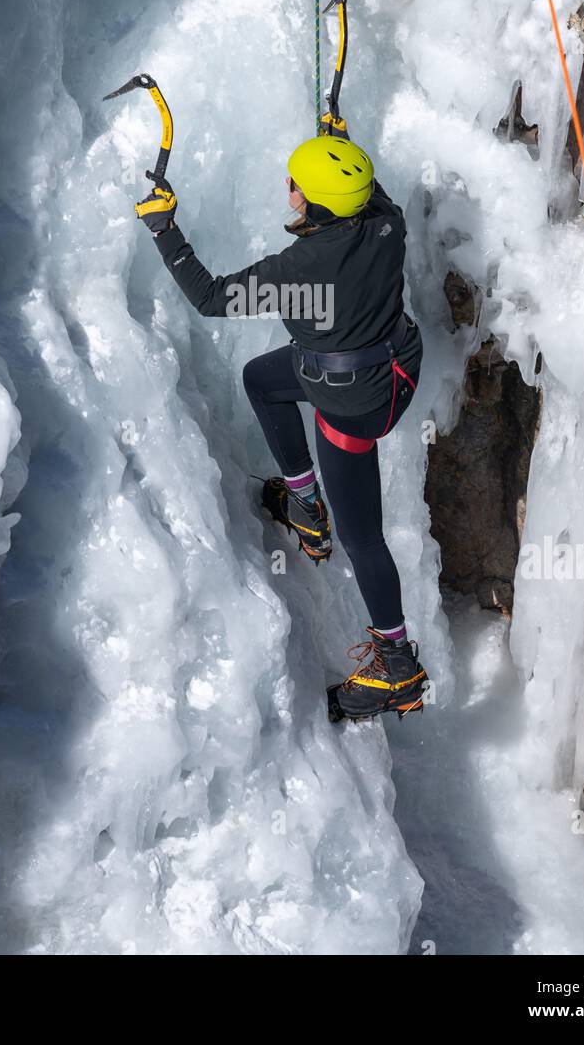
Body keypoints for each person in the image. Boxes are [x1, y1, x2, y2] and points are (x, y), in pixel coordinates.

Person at [136, 116, 427, 721]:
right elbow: (365, 188)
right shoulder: (386, 223)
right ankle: (303, 503)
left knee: (365, 537)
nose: (287, 189)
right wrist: (336, 143)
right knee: (262, 380)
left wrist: (165, 228)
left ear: (316, 204)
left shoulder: (300, 271)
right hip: (395, 366)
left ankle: (397, 667)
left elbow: (213, 298)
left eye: (294, 183)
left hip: (353, 403)